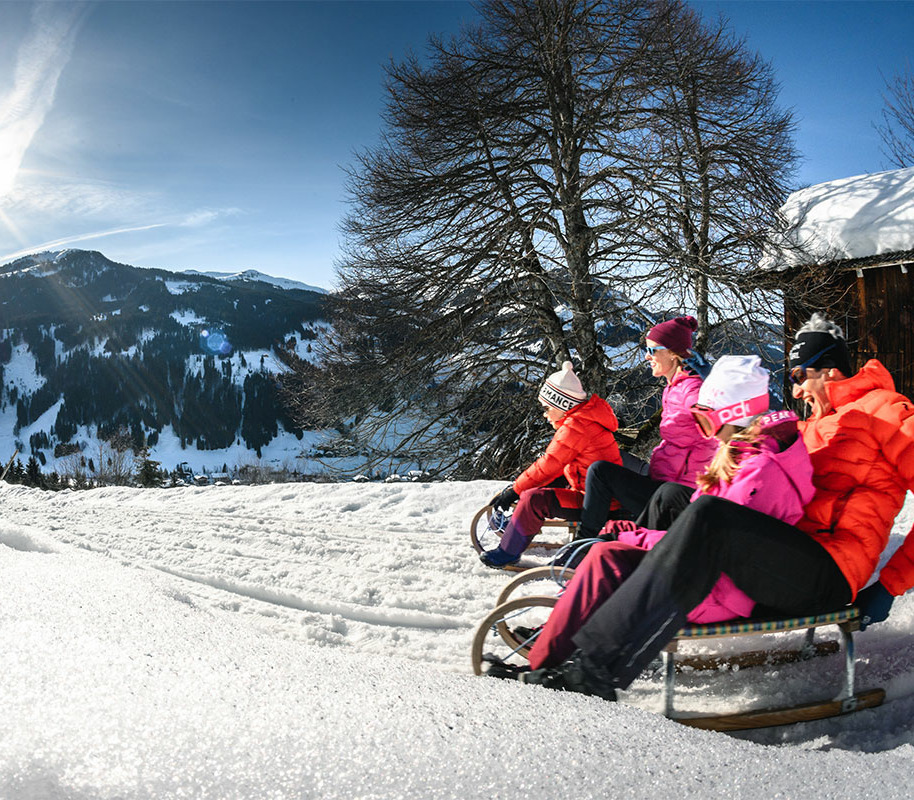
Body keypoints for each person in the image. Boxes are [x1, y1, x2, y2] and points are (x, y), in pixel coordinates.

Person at [496, 314, 914, 700]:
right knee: (660, 509)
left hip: (826, 571)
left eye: (800, 376)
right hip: (775, 556)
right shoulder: (810, 423)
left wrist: (890, 584)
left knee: (709, 515)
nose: (798, 389)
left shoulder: (888, 413)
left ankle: (596, 670)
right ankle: (552, 660)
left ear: (830, 370)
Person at [486, 355, 814, 677]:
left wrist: (630, 536)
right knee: (618, 544)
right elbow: (700, 528)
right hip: (710, 572)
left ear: (736, 413)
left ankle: (569, 667)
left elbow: (707, 544)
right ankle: (545, 660)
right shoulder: (743, 457)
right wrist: (629, 533)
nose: (707, 434)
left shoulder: (756, 473)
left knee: (610, 559)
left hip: (720, 588)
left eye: (706, 421)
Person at [574, 316, 718, 540]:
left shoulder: (691, 389)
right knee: (605, 459)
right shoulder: (672, 388)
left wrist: (711, 387)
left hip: (676, 493)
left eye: (652, 350)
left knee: (600, 472)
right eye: (645, 349)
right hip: (659, 478)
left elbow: (717, 419)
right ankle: (607, 526)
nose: (646, 356)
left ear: (672, 352)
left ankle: (583, 542)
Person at [480, 361, 623, 569]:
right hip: (599, 497)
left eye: (547, 408)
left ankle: (507, 553)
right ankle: (516, 533)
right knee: (538, 492)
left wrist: (515, 490)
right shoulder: (584, 420)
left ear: (562, 405)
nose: (545, 414)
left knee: (533, 499)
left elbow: (548, 465)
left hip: (597, 504)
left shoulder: (576, 427)